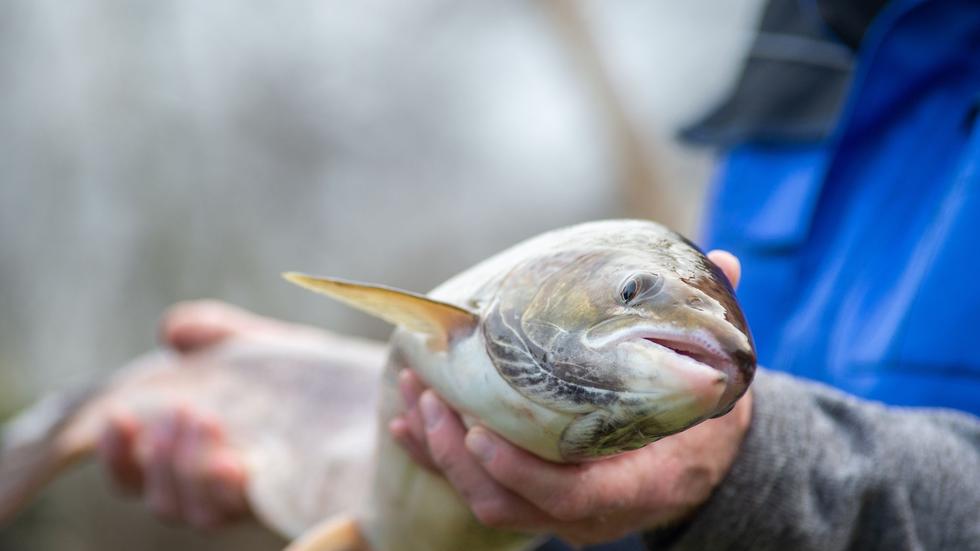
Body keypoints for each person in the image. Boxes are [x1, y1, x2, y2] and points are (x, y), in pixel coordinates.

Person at [97, 0, 980, 548]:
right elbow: (638, 485)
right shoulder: (802, 57)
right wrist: (294, 408)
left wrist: (749, 469)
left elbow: (724, 457)